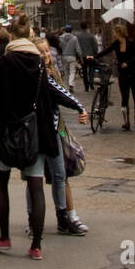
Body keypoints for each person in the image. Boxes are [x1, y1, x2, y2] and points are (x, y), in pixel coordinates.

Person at [0, 12, 80, 259]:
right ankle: (36, 245)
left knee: (0, 182)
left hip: (6, 132)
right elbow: (48, 98)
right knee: (36, 186)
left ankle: (4, 236)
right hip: (34, 133)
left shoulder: (4, 64)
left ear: (11, 36)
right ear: (29, 35)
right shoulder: (39, 65)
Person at [32, 39, 89, 236]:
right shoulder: (41, 76)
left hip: (58, 129)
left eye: (47, 51)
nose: (46, 55)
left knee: (60, 174)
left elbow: (62, 94)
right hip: (45, 131)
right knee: (45, 176)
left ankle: (67, 215)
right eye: (41, 52)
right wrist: (80, 107)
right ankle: (53, 217)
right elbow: (62, 95)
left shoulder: (52, 72)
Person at [98, 20, 135, 130]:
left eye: (114, 32)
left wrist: (127, 63)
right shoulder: (116, 44)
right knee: (124, 97)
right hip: (123, 74)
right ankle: (126, 122)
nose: (113, 34)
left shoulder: (131, 43)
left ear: (119, 33)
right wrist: (94, 56)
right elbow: (106, 50)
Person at [76, 23, 98, 91]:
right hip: (90, 55)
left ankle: (86, 86)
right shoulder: (91, 35)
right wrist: (95, 53)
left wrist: (78, 56)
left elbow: (77, 46)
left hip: (82, 56)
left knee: (84, 71)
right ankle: (91, 83)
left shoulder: (78, 36)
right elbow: (95, 45)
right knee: (91, 69)